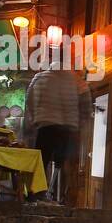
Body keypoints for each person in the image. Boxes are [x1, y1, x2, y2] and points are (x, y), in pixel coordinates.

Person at [23, 66, 89, 202]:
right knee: (66, 161)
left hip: (45, 124)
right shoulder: (76, 79)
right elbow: (85, 102)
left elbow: (29, 100)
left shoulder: (39, 77)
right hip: (68, 127)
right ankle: (66, 197)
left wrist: (34, 118)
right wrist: (82, 122)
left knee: (41, 161)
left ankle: (35, 194)